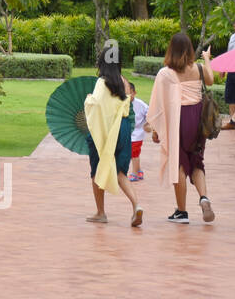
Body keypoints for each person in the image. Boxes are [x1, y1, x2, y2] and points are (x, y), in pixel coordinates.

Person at [147, 31, 216, 224]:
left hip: (178, 120)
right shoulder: (198, 68)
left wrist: (155, 130)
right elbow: (210, 80)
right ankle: (204, 197)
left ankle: (182, 212)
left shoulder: (165, 73)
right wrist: (207, 59)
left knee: (178, 163)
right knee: (196, 160)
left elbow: (158, 104)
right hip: (198, 118)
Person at [82, 53, 142, 227]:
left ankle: (101, 212)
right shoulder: (124, 81)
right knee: (121, 172)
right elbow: (129, 101)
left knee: (97, 170)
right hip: (122, 128)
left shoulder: (102, 82)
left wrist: (88, 99)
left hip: (106, 131)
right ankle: (136, 205)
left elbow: (97, 104)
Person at [128, 82, 149, 181]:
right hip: (127, 133)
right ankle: (139, 170)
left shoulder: (140, 104)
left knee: (134, 154)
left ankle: (135, 173)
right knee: (133, 153)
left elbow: (150, 113)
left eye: (130, 93)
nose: (127, 96)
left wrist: (148, 124)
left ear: (134, 93)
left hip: (137, 133)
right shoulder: (121, 103)